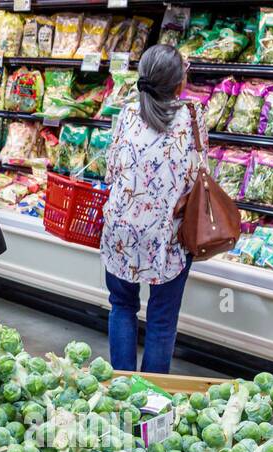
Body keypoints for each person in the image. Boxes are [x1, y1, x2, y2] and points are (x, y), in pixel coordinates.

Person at [100, 44, 203, 375]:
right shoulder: (193, 116)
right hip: (167, 235)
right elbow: (198, 174)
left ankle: (121, 387)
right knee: (161, 318)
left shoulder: (127, 113)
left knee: (121, 306)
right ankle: (153, 397)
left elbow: (111, 171)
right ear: (178, 84)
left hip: (121, 230)